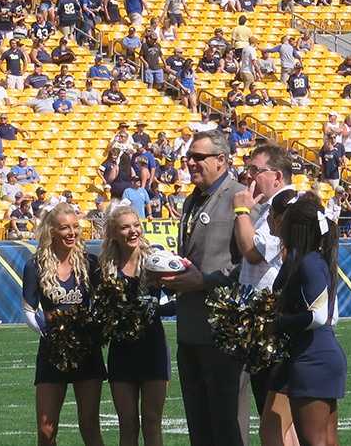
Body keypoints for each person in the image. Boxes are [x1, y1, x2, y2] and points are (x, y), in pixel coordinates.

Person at [160, 129, 250, 446]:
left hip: (224, 331)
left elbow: (251, 264)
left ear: (221, 160)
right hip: (189, 328)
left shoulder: (240, 197)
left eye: (198, 157)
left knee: (227, 426)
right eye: (189, 157)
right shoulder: (190, 200)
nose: (190, 163)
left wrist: (205, 280)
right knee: (199, 427)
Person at [230, 145, 299, 443]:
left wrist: (241, 210)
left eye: (256, 170)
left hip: (274, 323)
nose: (249, 177)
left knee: (275, 424)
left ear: (277, 176)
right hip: (265, 323)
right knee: (280, 424)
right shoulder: (273, 207)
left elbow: (253, 251)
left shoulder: (286, 207)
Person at [267, 191, 346, 446]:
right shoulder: (316, 260)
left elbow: (320, 315)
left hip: (312, 358)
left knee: (314, 441)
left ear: (296, 228)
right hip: (322, 353)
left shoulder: (308, 263)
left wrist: (277, 324)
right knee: (327, 440)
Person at [21, 203, 105, 446]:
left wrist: (92, 325)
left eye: (75, 227)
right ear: (52, 231)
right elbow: (28, 311)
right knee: (46, 430)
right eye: (65, 228)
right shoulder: (35, 265)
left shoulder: (90, 262)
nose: (72, 232)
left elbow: (102, 303)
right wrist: (51, 332)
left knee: (89, 425)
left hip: (87, 350)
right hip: (52, 351)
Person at [97, 206, 174, 446]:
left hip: (153, 349)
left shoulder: (156, 259)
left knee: (152, 422)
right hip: (121, 352)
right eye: (125, 227)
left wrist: (153, 307)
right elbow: (99, 310)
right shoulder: (104, 267)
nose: (133, 231)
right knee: (127, 424)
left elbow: (179, 299)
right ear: (113, 233)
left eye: (136, 225)